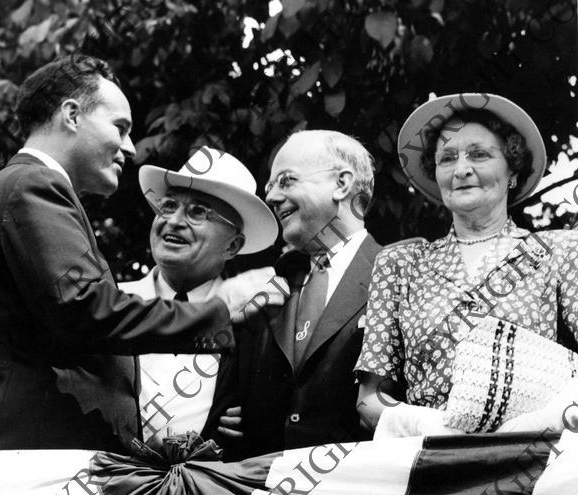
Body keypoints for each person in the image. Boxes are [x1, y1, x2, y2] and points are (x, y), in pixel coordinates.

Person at [0, 55, 282, 453]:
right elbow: (89, 310)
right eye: (120, 127)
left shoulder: (26, 186)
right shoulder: (34, 186)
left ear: (233, 244)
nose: (130, 147)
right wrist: (222, 307)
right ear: (72, 115)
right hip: (35, 458)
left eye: (198, 212)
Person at [356, 93, 578, 437]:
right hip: (427, 460)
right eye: (447, 159)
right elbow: (369, 399)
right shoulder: (400, 265)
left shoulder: (557, 251)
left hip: (529, 459)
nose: (461, 170)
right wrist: (426, 424)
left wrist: (546, 420)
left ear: (512, 171)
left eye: (479, 154)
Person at [211, 130, 384, 458]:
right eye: (270, 187)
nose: (273, 198)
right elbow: (229, 400)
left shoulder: (398, 276)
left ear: (342, 184)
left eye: (286, 181)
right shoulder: (268, 287)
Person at [119, 148, 277, 449]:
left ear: (232, 246)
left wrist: (258, 417)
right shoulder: (114, 300)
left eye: (197, 212)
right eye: (167, 206)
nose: (174, 221)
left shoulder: (259, 320)